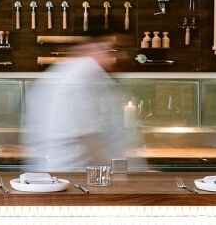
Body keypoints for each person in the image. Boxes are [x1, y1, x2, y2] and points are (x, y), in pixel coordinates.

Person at [22, 32, 141, 172]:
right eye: (113, 50)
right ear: (94, 47)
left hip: (83, 173)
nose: (120, 57)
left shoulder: (87, 75)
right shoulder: (80, 78)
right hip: (73, 174)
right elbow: (90, 141)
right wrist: (123, 172)